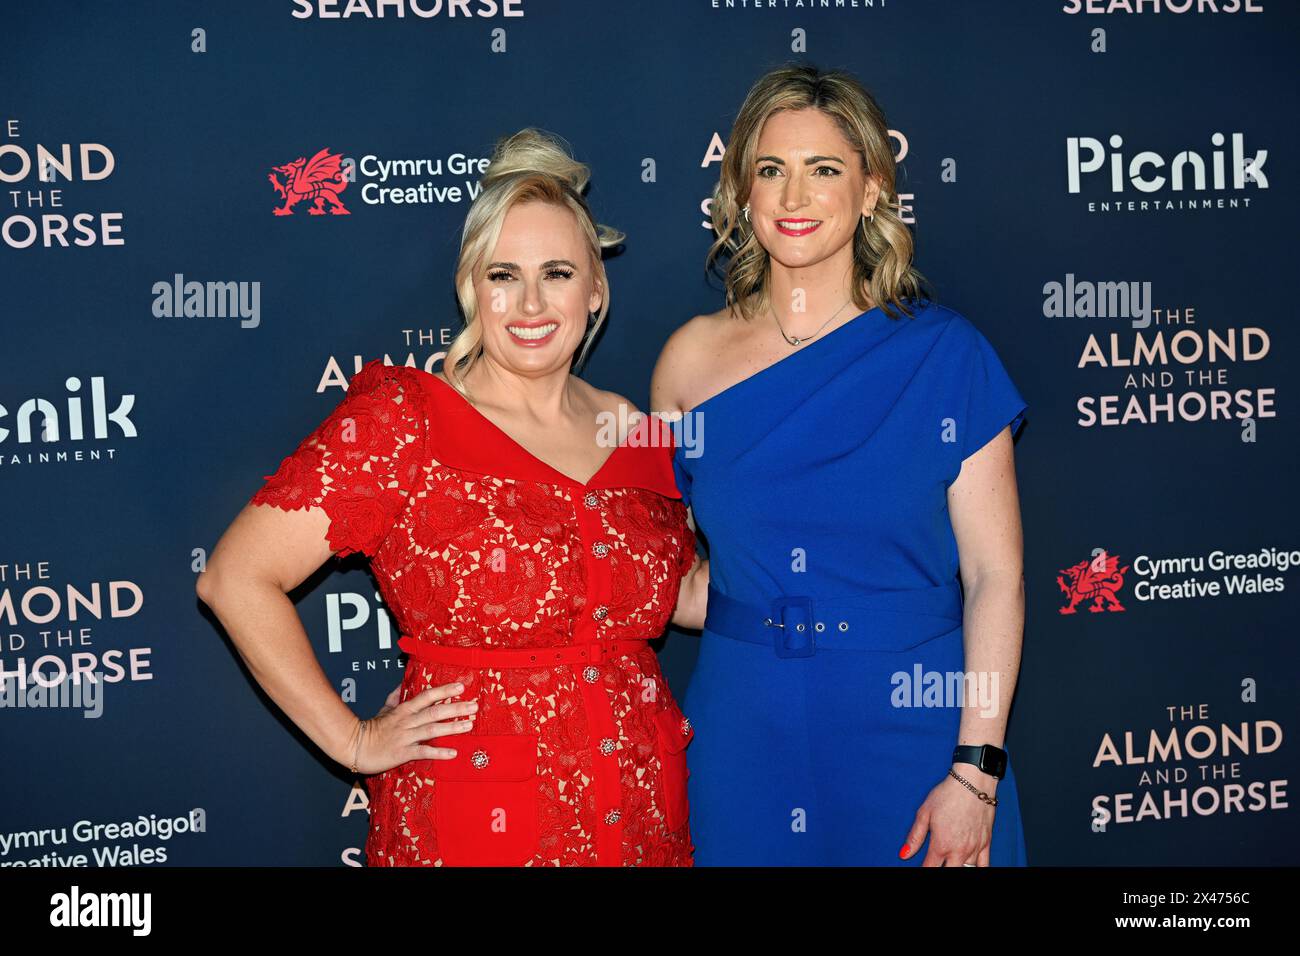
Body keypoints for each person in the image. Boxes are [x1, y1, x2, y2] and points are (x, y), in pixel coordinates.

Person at [198, 128, 707, 867]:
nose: (530, 302)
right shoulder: (406, 420)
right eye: (504, 274)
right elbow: (234, 578)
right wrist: (353, 739)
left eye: (558, 272)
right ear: (472, 286)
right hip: (477, 823)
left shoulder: (634, 428)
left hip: (639, 813)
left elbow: (685, 594)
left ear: (595, 287)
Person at [651, 64, 1030, 866]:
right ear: (741, 193)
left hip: (914, 724)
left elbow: (996, 578)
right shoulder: (688, 363)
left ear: (869, 191)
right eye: (771, 170)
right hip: (745, 724)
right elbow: (670, 571)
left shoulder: (945, 355)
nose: (794, 197)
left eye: (824, 170)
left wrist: (977, 770)